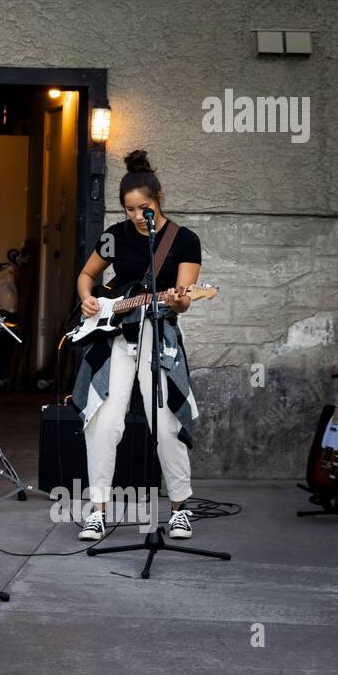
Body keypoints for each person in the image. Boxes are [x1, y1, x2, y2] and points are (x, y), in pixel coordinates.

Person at [71, 149, 202, 541]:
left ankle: (179, 509)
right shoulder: (114, 236)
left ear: (158, 200)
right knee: (103, 423)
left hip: (158, 337)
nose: (135, 217)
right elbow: (86, 275)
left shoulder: (184, 241)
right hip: (117, 338)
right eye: (128, 210)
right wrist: (87, 298)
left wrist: (180, 299)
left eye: (141, 209)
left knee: (165, 425)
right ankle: (97, 510)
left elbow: (185, 296)